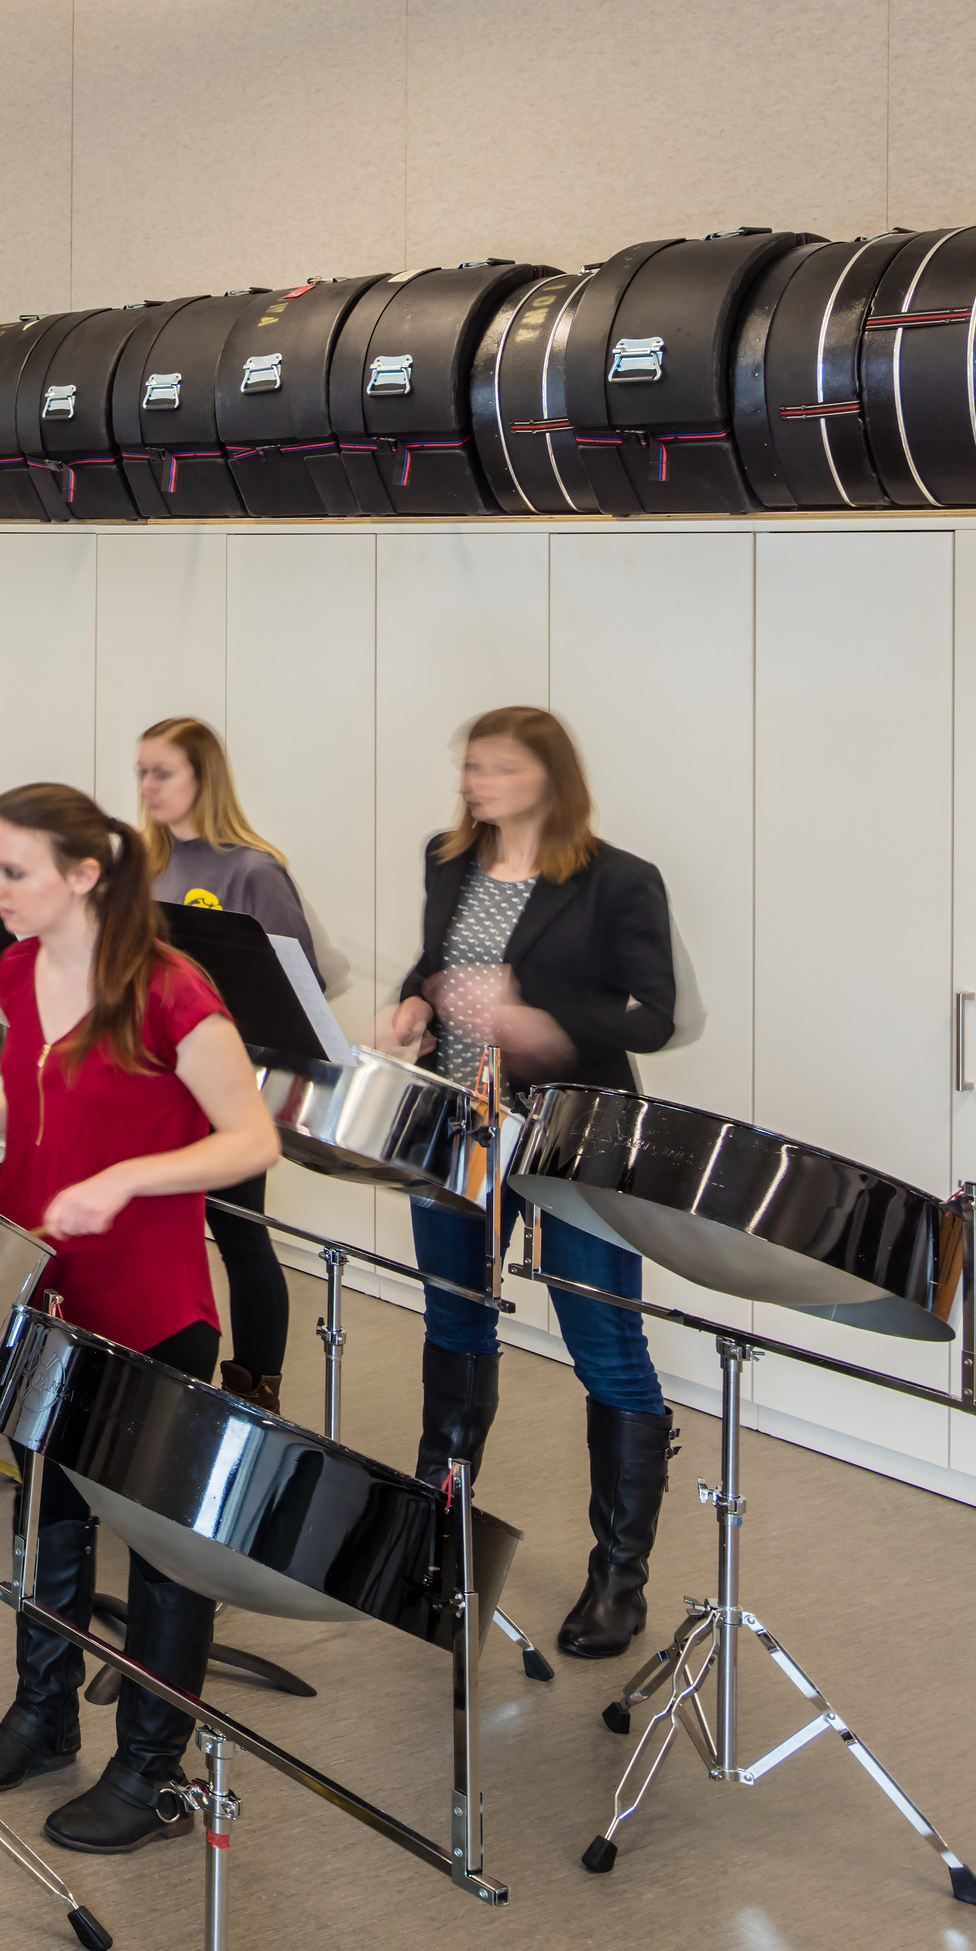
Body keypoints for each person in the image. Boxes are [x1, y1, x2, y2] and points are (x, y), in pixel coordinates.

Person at [0, 782, 280, 1855]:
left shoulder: (170, 989)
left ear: (84, 873)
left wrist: (129, 1178)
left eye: (9, 871)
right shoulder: (21, 970)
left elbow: (249, 1137)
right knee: (49, 1514)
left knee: (159, 1546)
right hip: (44, 1289)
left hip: (150, 1303)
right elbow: (38, 1101)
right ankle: (42, 1710)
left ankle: (150, 1763)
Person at [372, 706, 677, 1661]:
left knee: (605, 1345)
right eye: (468, 765)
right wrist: (415, 999)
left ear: (549, 776)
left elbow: (653, 1017)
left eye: (496, 767)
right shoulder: (447, 858)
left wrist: (538, 1021)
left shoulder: (619, 879)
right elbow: (437, 964)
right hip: (457, 1123)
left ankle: (617, 1575)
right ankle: (437, 1530)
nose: (474, 782)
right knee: (454, 1322)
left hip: (574, 1134)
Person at [136, 717, 317, 1414]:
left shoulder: (253, 871)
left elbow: (293, 996)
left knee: (240, 1234)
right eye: (142, 772)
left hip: (226, 1087)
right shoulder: (143, 867)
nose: (147, 786)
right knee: (158, 1232)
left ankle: (251, 1394)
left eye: (162, 772)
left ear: (201, 779)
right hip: (153, 1083)